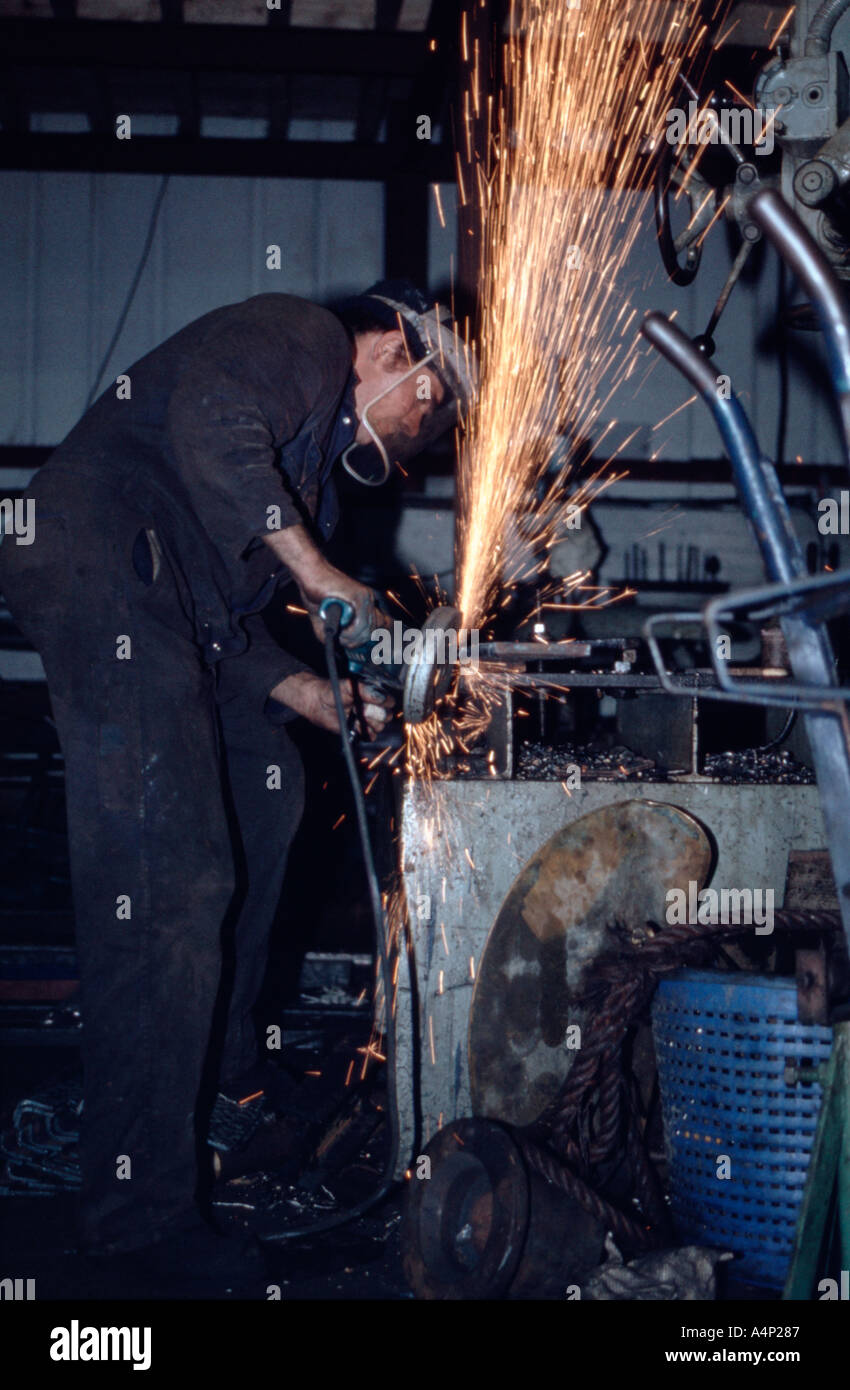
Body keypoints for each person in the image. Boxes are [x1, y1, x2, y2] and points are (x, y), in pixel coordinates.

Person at [0, 279, 473, 1293]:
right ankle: (136, 1218)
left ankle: (225, 1076)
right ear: (391, 343)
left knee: (270, 793)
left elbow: (233, 629)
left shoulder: (315, 488)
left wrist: (311, 693)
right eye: (433, 400)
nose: (429, 430)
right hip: (100, 554)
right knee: (168, 874)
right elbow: (214, 426)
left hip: (173, 603)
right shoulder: (299, 336)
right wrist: (328, 578)